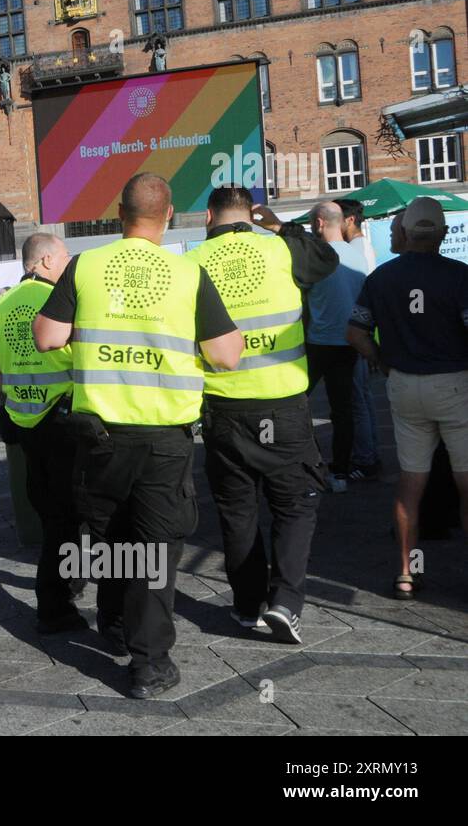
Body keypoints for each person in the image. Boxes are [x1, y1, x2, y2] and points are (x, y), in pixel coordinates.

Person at [35, 173, 243, 699]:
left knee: (110, 535)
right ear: (169, 215)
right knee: (154, 546)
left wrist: (95, 341)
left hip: (100, 433)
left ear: (118, 214)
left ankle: (114, 622)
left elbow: (47, 337)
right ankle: (149, 665)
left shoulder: (86, 265)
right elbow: (226, 355)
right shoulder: (187, 273)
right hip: (163, 435)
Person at [187, 188, 339, 643]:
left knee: (237, 509)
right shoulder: (281, 248)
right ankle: (286, 602)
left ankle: (246, 603)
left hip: (222, 405)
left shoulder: (191, 262)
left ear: (209, 216)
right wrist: (278, 226)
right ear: (251, 215)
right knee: (294, 505)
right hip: (283, 402)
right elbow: (326, 260)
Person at [347, 196, 468, 601]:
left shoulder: (381, 278)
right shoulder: (460, 276)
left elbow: (356, 332)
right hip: (454, 384)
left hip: (404, 385)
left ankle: (407, 572)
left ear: (404, 233)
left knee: (411, 485)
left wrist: (381, 359)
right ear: (443, 234)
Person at [0, 232, 81, 628]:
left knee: (49, 511)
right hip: (63, 417)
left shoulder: (0, 307)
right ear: (44, 261)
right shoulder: (58, 300)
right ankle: (55, 604)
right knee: (67, 514)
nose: (68, 264)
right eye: (63, 257)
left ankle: (69, 579)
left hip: (24, 421)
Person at [305, 201, 370, 492]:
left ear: (319, 223)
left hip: (317, 343)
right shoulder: (357, 256)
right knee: (342, 411)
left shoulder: (316, 257)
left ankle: (312, 466)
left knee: (295, 407)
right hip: (347, 343)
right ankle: (340, 473)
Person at [338, 199, 381, 481]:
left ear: (350, 220)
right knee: (363, 398)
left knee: (357, 400)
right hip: (363, 332)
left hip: (357, 334)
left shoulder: (355, 250)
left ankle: (365, 458)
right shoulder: (364, 247)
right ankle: (370, 454)